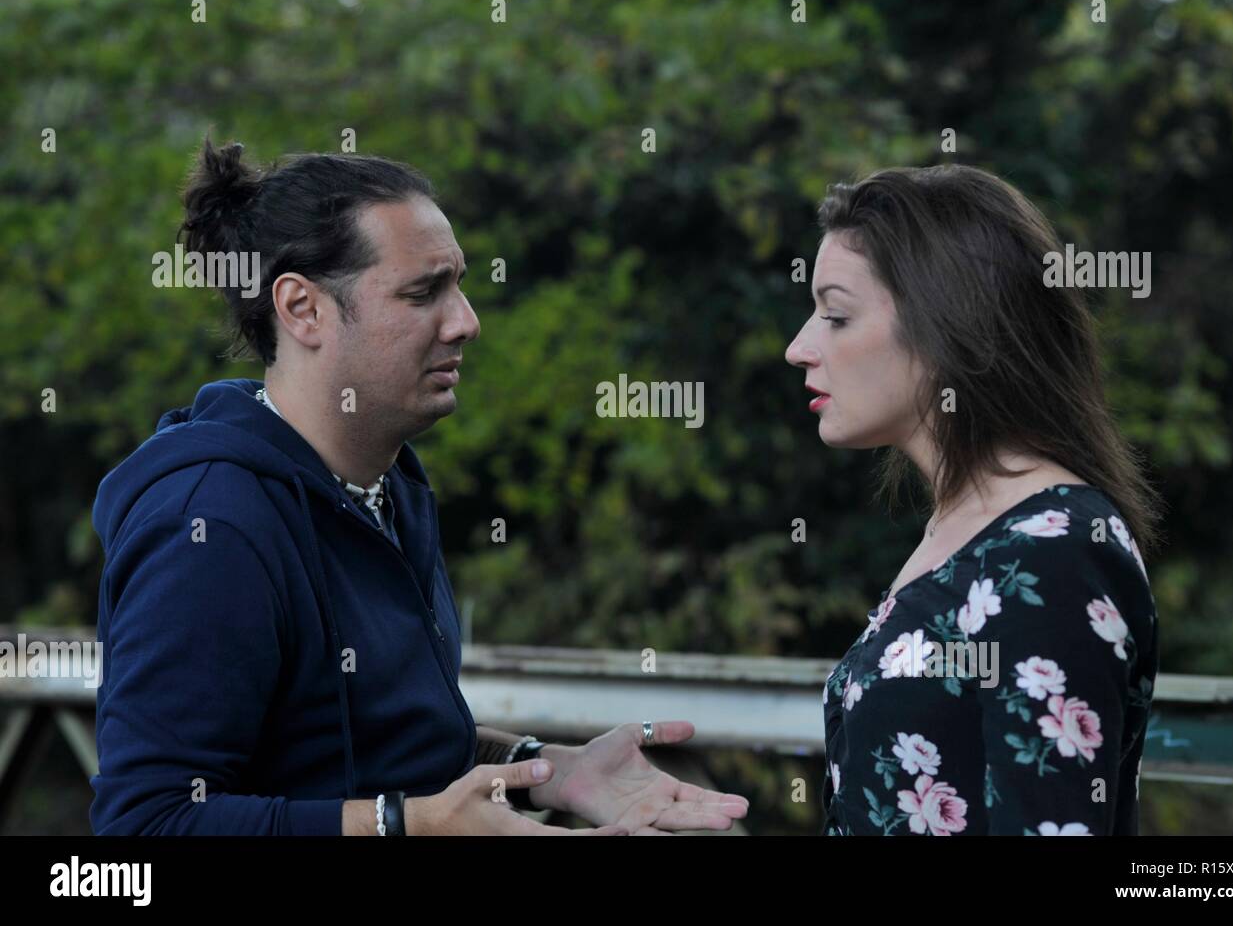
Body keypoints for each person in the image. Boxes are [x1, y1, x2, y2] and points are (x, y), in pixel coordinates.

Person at [90, 137, 749, 835]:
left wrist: (546, 771)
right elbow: (144, 827)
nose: (466, 321)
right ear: (302, 308)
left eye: (458, 283)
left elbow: (381, 747)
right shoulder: (211, 527)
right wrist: (405, 824)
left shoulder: (389, 480)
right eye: (423, 292)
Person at [785, 165, 1160, 836]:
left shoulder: (1055, 550)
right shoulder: (960, 533)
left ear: (942, 327)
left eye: (836, 314)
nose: (799, 347)